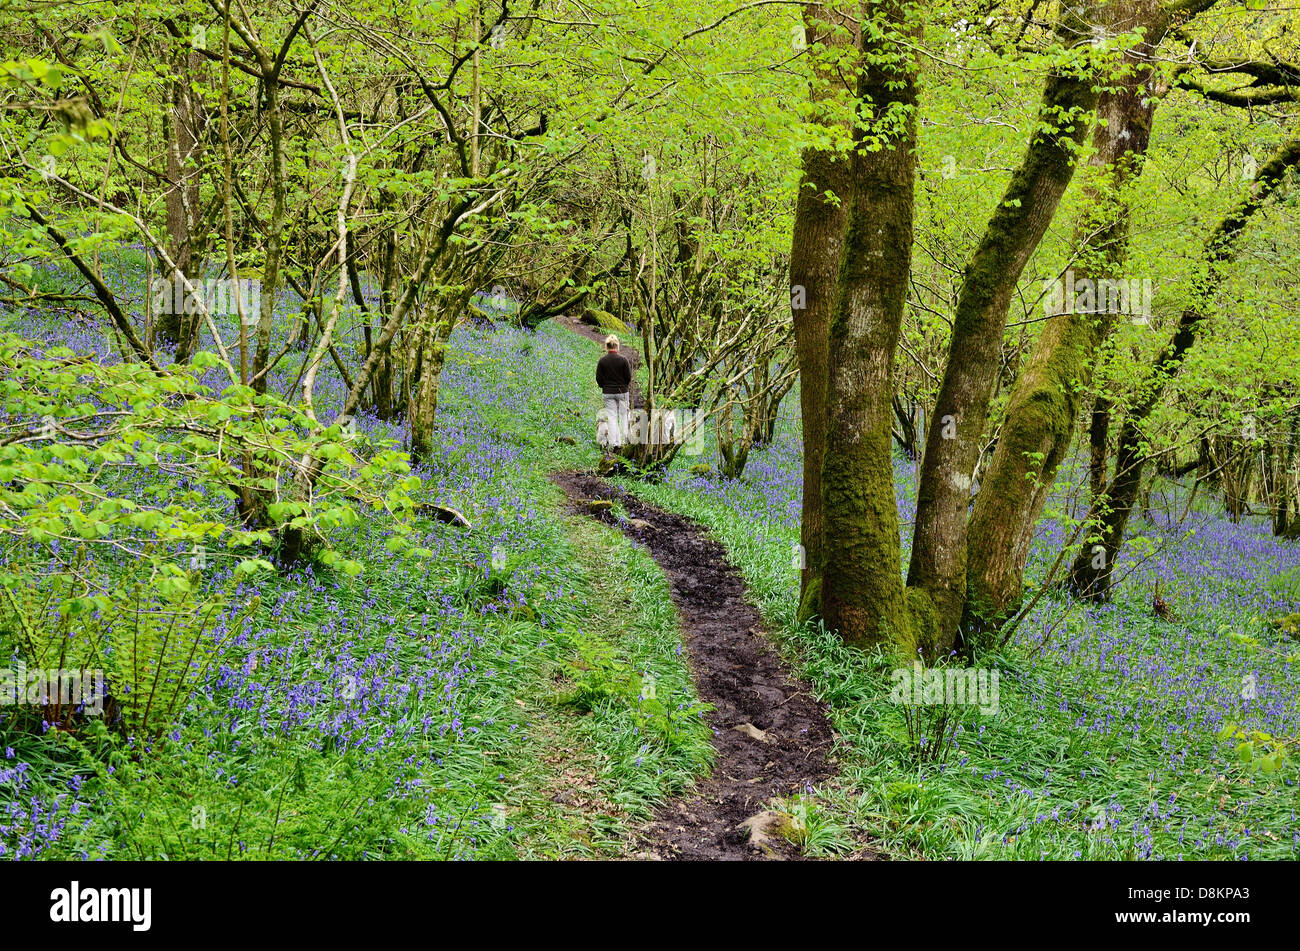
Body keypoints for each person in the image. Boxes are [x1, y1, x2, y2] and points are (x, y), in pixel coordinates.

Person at [596, 334, 631, 447]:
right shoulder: (623, 360)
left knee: (612, 417)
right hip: (622, 392)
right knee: (624, 416)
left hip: (608, 392)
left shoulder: (602, 361)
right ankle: (624, 442)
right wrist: (623, 386)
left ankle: (614, 443)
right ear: (617, 346)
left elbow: (598, 378)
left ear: (606, 346)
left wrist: (604, 386)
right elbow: (628, 378)